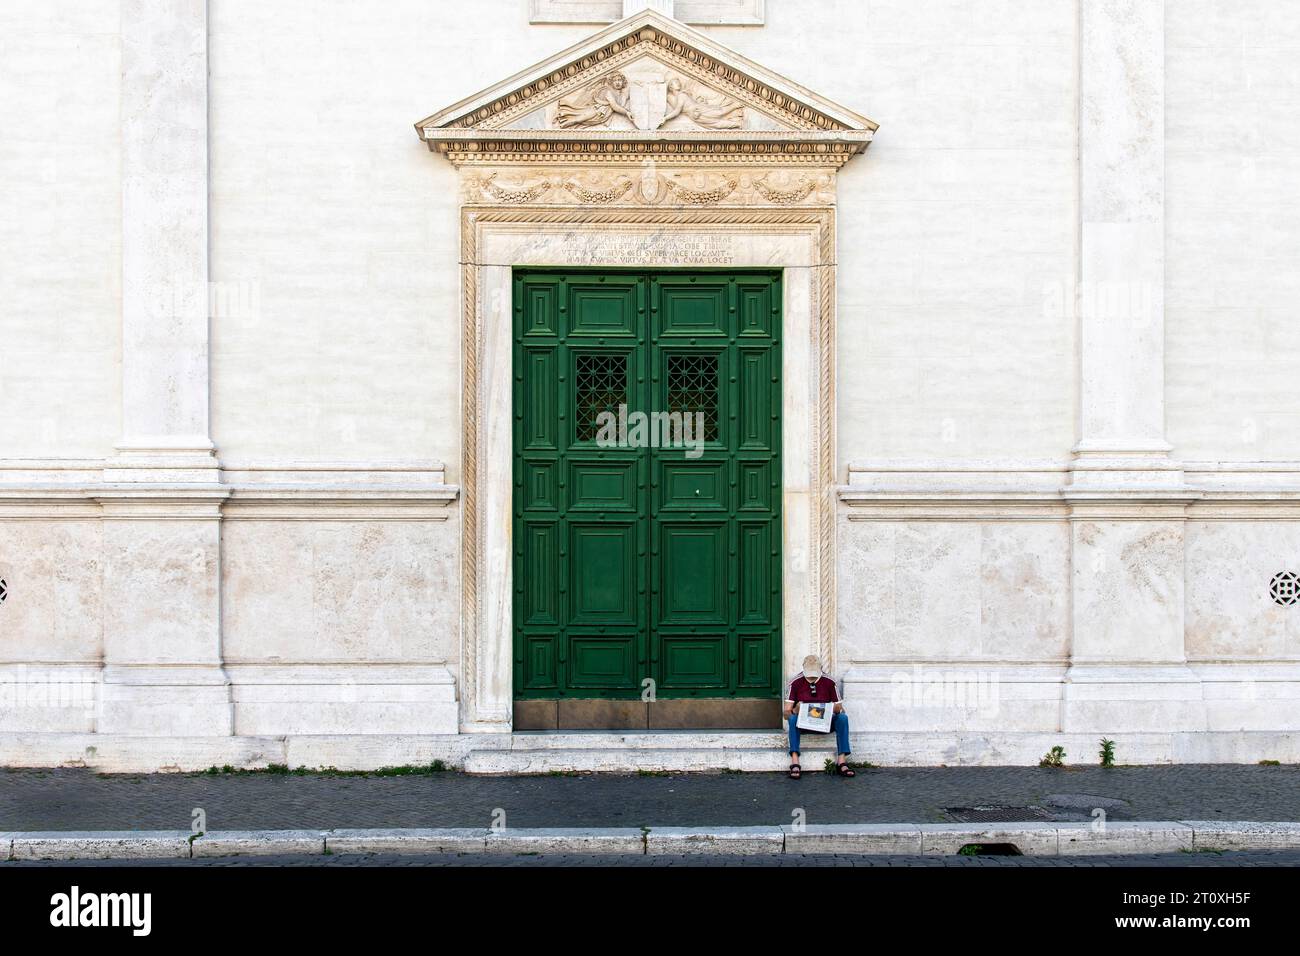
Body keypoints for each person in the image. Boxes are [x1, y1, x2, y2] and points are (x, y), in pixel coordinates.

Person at [784, 654, 854, 779]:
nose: (811, 677)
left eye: (814, 673)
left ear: (820, 668)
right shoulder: (795, 682)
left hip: (825, 723)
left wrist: (833, 708)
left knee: (843, 718)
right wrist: (795, 709)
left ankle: (841, 761)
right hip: (803, 724)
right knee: (792, 718)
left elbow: (841, 710)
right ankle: (795, 762)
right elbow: (786, 715)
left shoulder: (830, 682)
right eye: (809, 673)